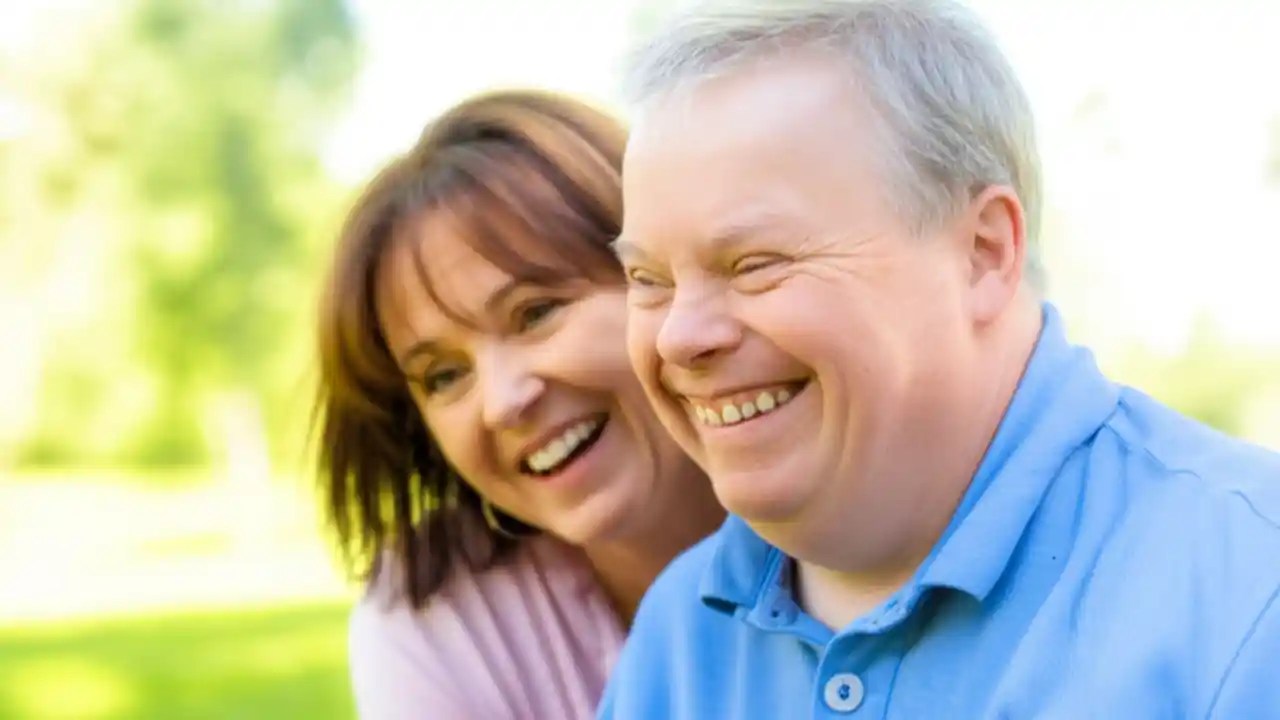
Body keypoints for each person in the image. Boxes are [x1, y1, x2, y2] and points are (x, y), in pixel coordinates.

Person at [600, 0, 1280, 717]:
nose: (679, 336)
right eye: (648, 281)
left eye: (755, 264)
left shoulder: (1249, 588)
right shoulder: (680, 634)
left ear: (984, 252)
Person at [314, 89, 724, 719]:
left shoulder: (870, 516)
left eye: (535, 313)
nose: (503, 403)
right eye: (445, 376)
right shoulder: (445, 617)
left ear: (661, 276)